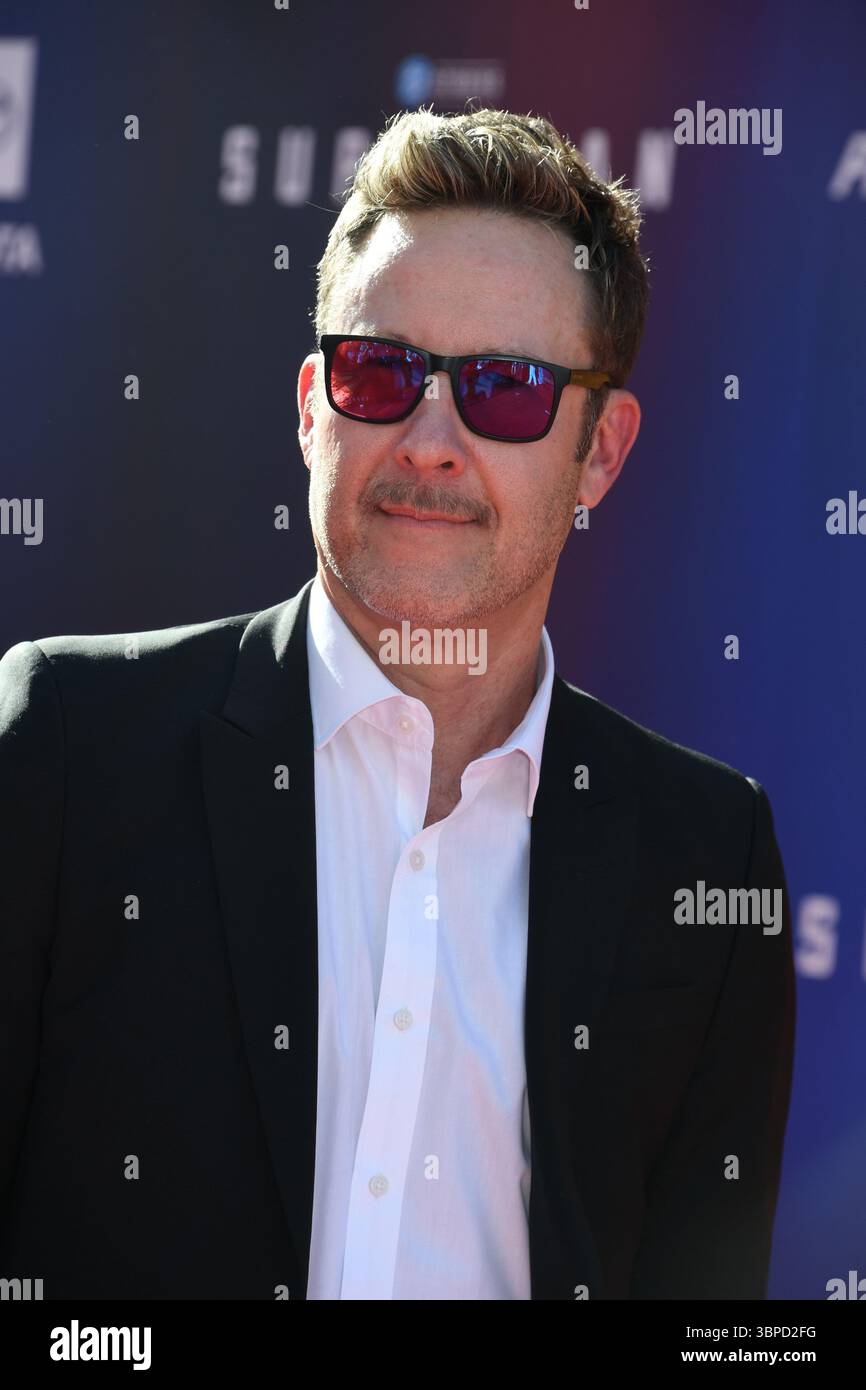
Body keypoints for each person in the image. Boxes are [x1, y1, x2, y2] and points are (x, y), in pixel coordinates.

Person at [0, 106, 795, 1300]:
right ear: (313, 404)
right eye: (382, 371)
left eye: (507, 387)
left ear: (600, 451)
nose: (429, 439)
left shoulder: (702, 851)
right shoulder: (68, 742)